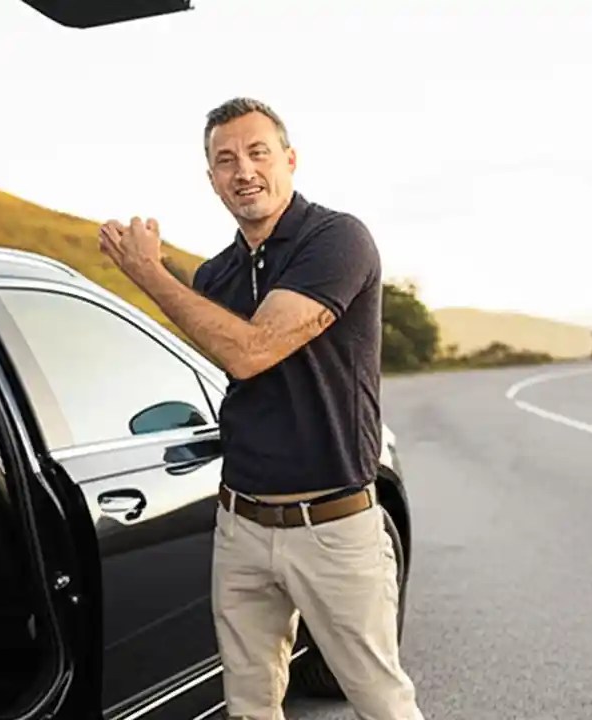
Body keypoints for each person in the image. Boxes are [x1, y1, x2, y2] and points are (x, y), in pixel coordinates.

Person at [97, 97, 423, 720]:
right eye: (225, 160)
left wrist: (149, 272)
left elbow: (251, 352)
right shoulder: (216, 276)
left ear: (289, 159)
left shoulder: (338, 240)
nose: (242, 170)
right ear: (211, 179)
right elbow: (229, 369)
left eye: (257, 153)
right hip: (241, 526)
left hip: (332, 526)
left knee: (381, 702)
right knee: (248, 708)